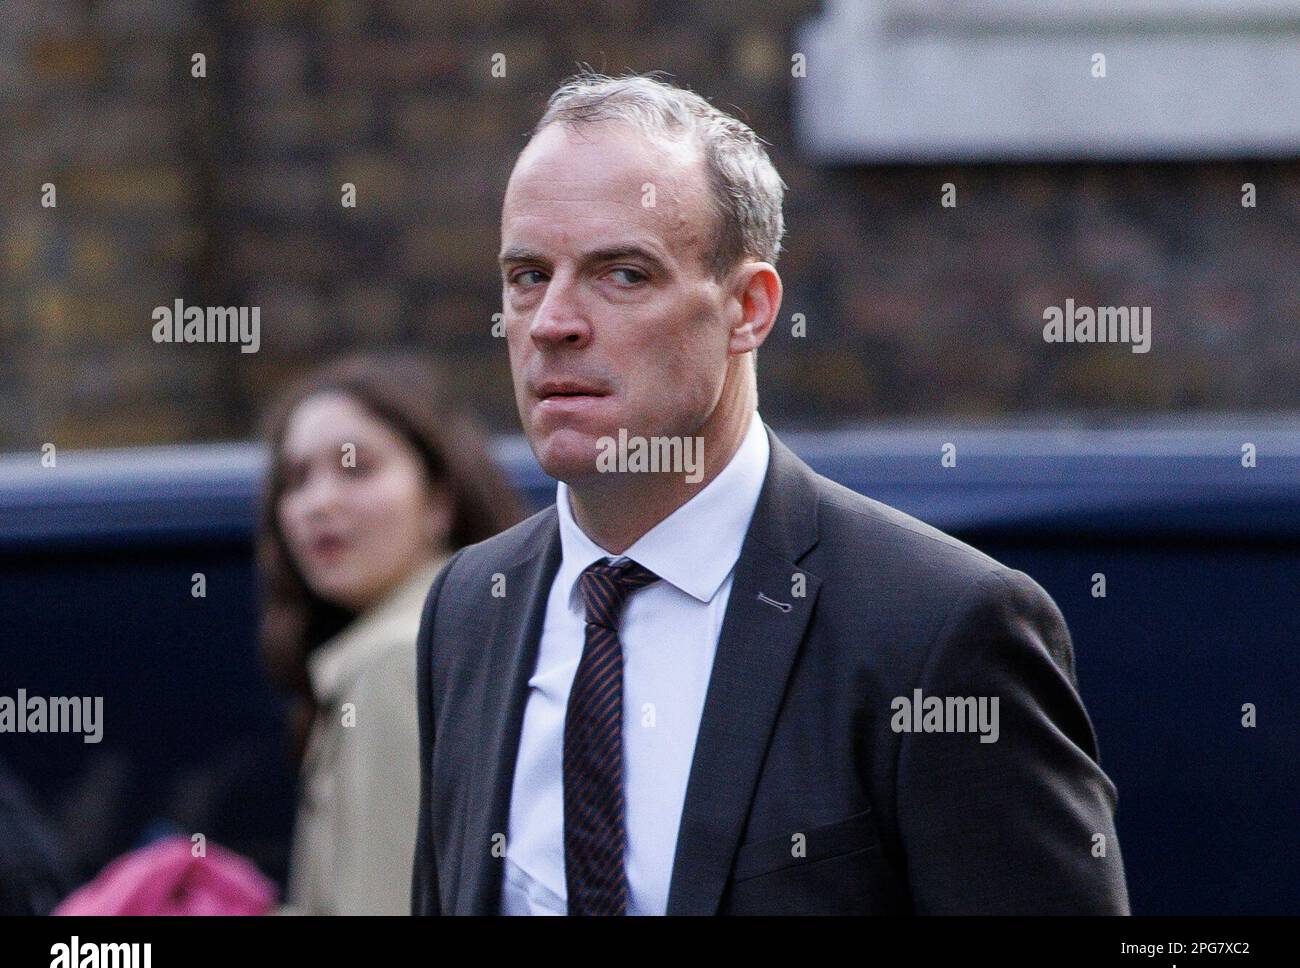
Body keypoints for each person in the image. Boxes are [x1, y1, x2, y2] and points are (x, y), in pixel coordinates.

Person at [411, 73, 1130, 915]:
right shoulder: (469, 607)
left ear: (749, 308)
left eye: (623, 275)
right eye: (528, 274)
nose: (552, 322)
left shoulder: (935, 628)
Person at [258, 354, 525, 914]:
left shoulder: (395, 662)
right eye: (297, 478)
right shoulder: (488, 629)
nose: (319, 503)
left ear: (439, 500)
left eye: (357, 469)